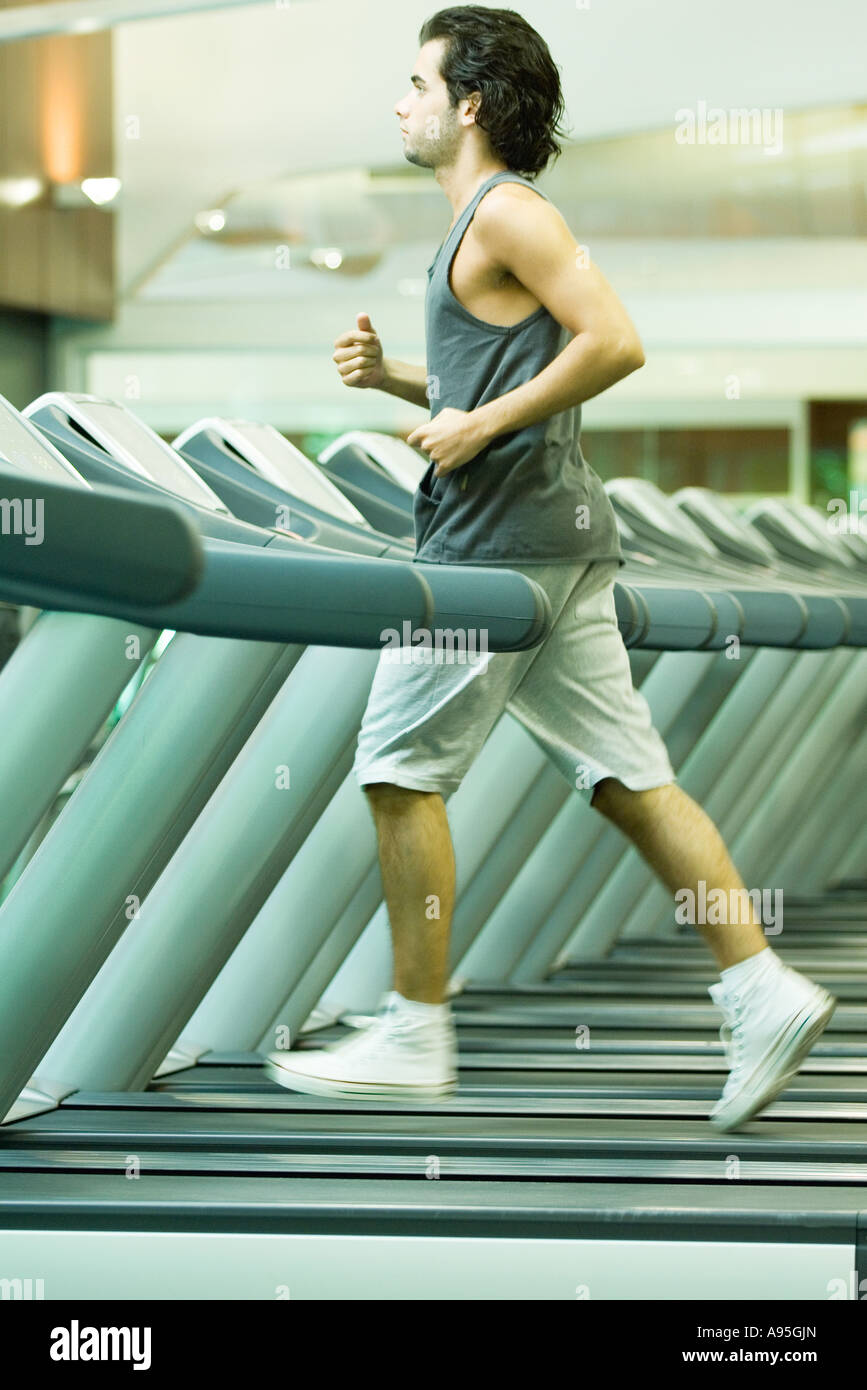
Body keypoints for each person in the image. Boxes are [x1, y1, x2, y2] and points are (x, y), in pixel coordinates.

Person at [265, 6, 835, 1131]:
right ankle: (759, 986)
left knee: (399, 770)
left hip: (494, 552)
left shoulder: (508, 211)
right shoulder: (483, 223)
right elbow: (504, 363)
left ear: (468, 101)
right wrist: (398, 384)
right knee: (630, 776)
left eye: (415, 83)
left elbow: (613, 340)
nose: (400, 103)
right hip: (558, 544)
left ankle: (417, 1028)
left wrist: (476, 432)